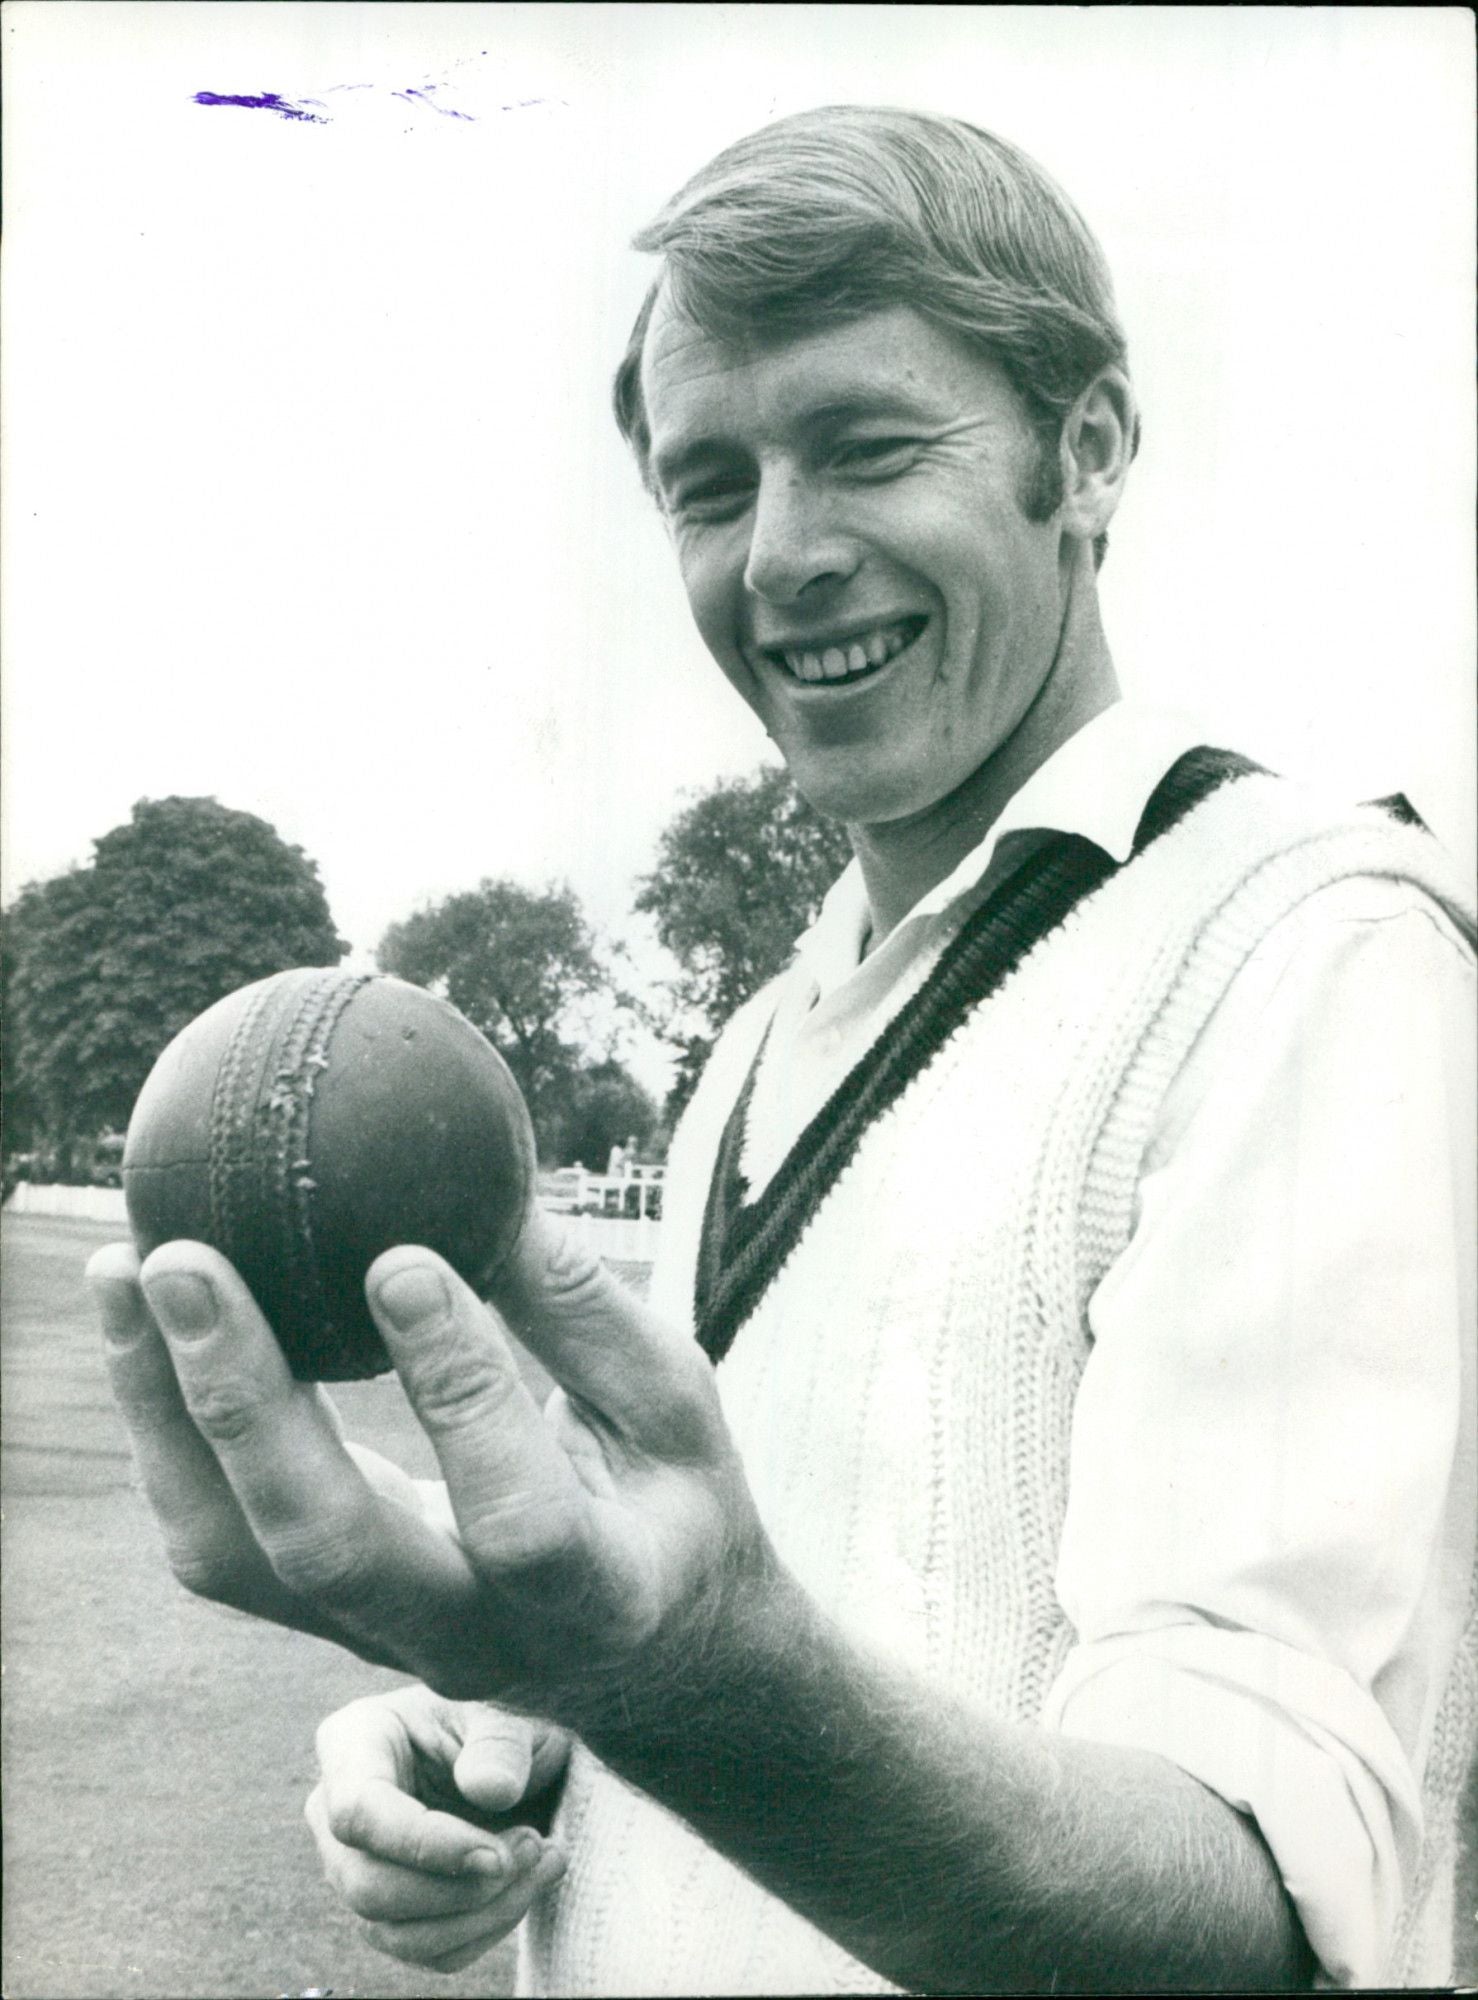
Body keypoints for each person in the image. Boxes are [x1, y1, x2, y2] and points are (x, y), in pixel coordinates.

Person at [87, 105, 1475, 1993]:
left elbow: (1243, 1911)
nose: (786, 554)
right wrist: (493, 1731)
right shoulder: (758, 1037)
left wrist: (654, 1677)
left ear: (1089, 448)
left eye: (866, 449)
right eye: (710, 484)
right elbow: (712, 1602)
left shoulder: (1308, 951)